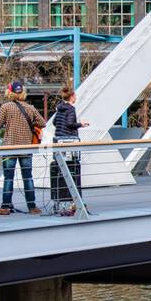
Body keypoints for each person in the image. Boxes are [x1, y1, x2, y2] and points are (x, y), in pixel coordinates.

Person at [0, 81, 44, 215]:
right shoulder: (30, 108)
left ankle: (6, 207)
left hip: (10, 147)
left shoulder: (6, 107)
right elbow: (42, 122)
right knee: (27, 177)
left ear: (9, 92)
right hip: (26, 146)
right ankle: (32, 207)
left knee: (8, 177)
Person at [52, 85, 89, 215]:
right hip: (69, 140)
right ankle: (74, 201)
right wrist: (81, 124)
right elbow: (69, 123)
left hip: (58, 140)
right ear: (72, 97)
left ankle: (61, 202)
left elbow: (55, 122)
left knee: (60, 170)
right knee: (73, 168)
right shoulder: (71, 109)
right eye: (75, 96)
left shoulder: (60, 108)